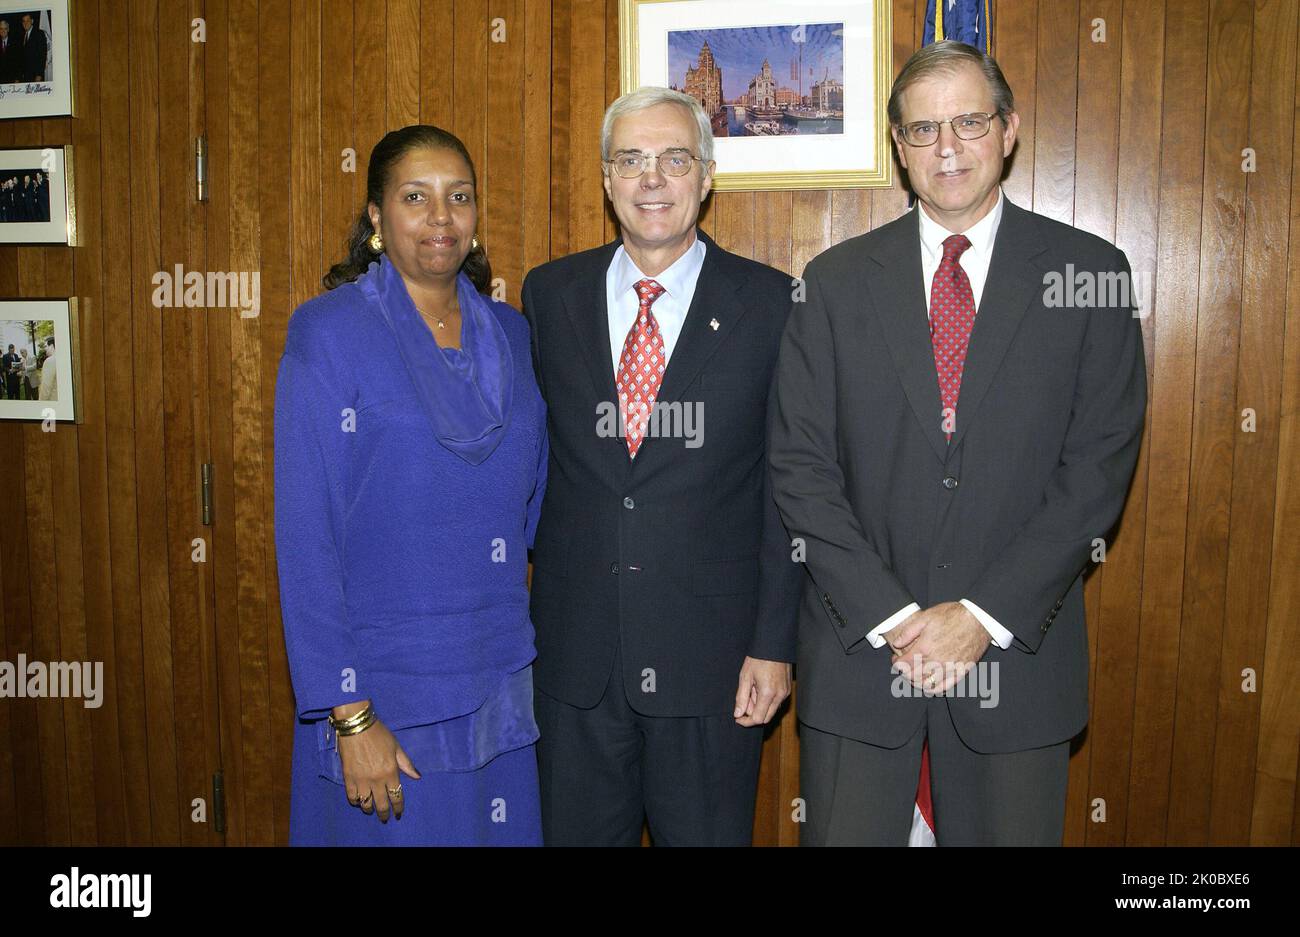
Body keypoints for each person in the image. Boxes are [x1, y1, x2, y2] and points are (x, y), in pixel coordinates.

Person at [769, 40, 1147, 846]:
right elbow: (800, 468)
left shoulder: (1090, 274)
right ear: (898, 149)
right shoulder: (833, 283)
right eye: (922, 129)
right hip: (864, 665)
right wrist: (899, 617)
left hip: (1014, 671)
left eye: (969, 122)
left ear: (1008, 129)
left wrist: (980, 615)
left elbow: (1098, 473)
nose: (947, 147)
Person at [522, 87, 800, 846]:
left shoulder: (771, 304)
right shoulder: (550, 295)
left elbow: (789, 490)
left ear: (706, 176)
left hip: (712, 668)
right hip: (576, 666)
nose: (652, 179)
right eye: (631, 159)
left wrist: (774, 644)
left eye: (674, 159)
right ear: (606, 178)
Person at [274, 125, 547, 845]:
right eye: (415, 198)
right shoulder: (326, 333)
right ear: (375, 217)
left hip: (496, 681)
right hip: (383, 695)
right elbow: (306, 539)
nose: (441, 218)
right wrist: (350, 713)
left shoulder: (513, 334)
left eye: (459, 197)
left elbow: (535, 506)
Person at [19, 14, 45, 83]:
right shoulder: (22, 36)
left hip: (35, 76)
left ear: (32, 21)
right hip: (25, 77)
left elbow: (42, 55)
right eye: (24, 21)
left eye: (28, 20)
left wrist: (39, 75)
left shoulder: (39, 33)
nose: (25, 23)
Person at [36, 337, 55, 401]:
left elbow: (46, 387)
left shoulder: (50, 361)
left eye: (46, 346)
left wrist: (41, 401)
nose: (45, 349)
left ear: (52, 346)